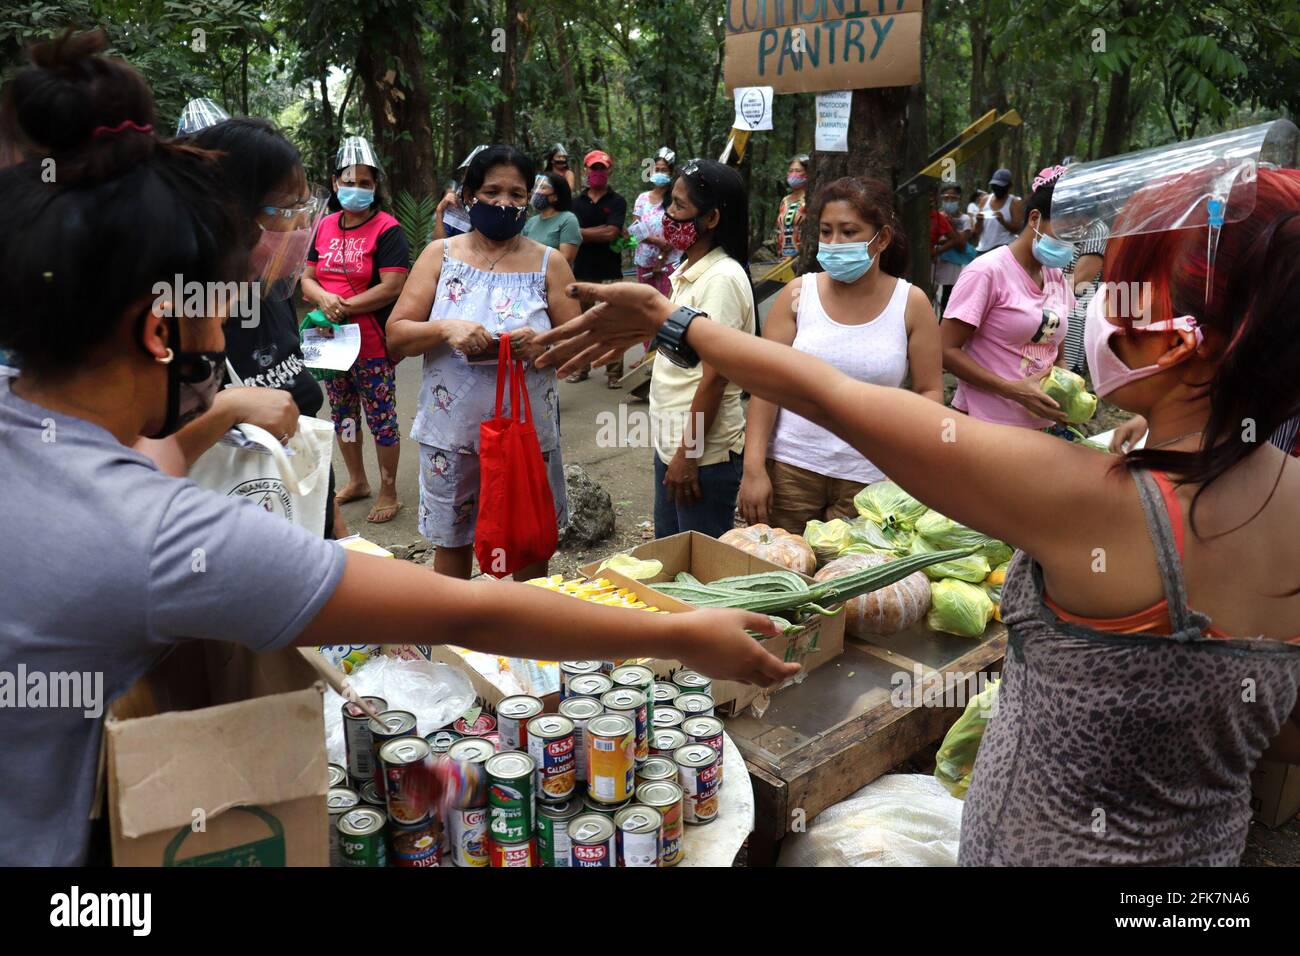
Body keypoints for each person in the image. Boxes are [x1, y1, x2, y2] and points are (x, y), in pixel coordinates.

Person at [0, 32, 798, 866]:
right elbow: (467, 608)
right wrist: (681, 635)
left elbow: (152, 465)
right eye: (217, 304)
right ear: (161, 329)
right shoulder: (160, 536)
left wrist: (218, 409)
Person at [534, 154, 1300, 866]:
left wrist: (671, 322)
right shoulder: (1278, 491)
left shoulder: (1097, 503)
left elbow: (831, 396)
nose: (1098, 309)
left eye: (1126, 296)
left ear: (1190, 346)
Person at [387, 145, 574, 581]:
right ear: (469, 194)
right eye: (492, 191)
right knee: (452, 545)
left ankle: (529, 644)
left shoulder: (551, 263)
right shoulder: (441, 255)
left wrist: (543, 343)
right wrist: (445, 329)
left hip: (526, 439)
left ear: (530, 199)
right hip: (452, 437)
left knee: (528, 543)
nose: (504, 203)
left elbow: (578, 346)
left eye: (516, 193)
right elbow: (396, 336)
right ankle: (456, 642)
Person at [167, 117, 348, 537]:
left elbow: (303, 443)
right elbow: (132, 464)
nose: (305, 227)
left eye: (308, 209)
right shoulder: (175, 318)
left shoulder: (270, 293)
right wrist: (230, 409)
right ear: (232, 215)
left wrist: (338, 532)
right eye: (291, 211)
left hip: (296, 529)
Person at [740, 177, 943, 533]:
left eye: (849, 232)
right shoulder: (797, 295)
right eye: (826, 231)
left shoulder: (911, 304)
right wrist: (754, 468)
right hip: (790, 469)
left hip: (872, 479)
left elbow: (930, 392)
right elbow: (766, 386)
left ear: (881, 238)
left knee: (853, 584)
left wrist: (908, 469)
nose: (834, 243)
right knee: (779, 572)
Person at [301, 136, 410, 523]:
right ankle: (358, 480)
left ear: (375, 187)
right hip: (330, 341)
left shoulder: (388, 229)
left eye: (366, 183)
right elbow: (308, 277)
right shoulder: (324, 225)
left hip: (372, 342)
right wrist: (323, 300)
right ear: (334, 183)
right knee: (342, 412)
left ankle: (389, 488)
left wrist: (343, 305)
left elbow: (392, 286)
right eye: (350, 181)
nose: (358, 189)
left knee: (381, 415)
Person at [649, 158, 755, 539]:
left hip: (702, 457)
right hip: (673, 446)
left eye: (679, 205)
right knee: (669, 559)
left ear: (710, 219)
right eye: (669, 203)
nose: (669, 214)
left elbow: (715, 379)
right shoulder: (687, 270)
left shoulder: (722, 279)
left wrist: (687, 456)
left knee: (697, 578)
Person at [940, 166, 1077, 433]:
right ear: (1035, 218)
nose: (1070, 244)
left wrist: (1067, 394)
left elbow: (1055, 352)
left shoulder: (1055, 276)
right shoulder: (986, 272)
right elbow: (944, 350)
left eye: (1076, 237)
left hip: (1042, 428)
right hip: (987, 426)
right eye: (1066, 232)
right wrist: (1013, 391)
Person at [568, 148, 628, 385]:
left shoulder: (617, 201)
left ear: (609, 171)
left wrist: (578, 233)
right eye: (594, 168)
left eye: (602, 169)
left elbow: (611, 232)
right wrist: (599, 232)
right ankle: (581, 368)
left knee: (613, 322)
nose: (598, 173)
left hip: (610, 272)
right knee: (583, 324)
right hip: (582, 270)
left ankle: (613, 373)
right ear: (586, 170)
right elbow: (600, 231)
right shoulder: (575, 203)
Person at [629, 146, 680, 296]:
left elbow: (676, 232)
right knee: (645, 306)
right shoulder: (642, 199)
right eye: (656, 169)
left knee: (667, 304)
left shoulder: (676, 200)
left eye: (663, 170)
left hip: (669, 263)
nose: (659, 173)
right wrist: (657, 242)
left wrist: (661, 259)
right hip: (644, 263)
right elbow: (635, 229)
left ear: (671, 172)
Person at [522, 171, 581, 264]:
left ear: (555, 196)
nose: (536, 191)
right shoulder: (531, 222)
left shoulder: (568, 219)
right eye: (536, 187)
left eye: (543, 187)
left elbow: (566, 259)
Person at [933, 182, 974, 314]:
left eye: (953, 198)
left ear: (959, 199)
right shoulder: (936, 216)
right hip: (935, 262)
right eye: (946, 198)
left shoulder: (965, 219)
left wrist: (949, 226)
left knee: (948, 296)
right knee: (930, 293)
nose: (949, 201)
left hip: (952, 265)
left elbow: (961, 245)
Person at [434, 144, 486, 241]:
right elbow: (439, 245)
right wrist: (440, 211)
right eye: (470, 171)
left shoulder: (495, 206)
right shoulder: (456, 201)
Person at [972, 167, 1023, 253]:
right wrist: (979, 221)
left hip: (1004, 249)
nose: (997, 189)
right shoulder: (985, 200)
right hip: (983, 249)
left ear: (1009, 187)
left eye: (1001, 186)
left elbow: (1017, 229)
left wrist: (1003, 222)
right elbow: (976, 231)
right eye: (995, 186)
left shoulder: (1014, 203)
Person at [774, 153, 809, 258]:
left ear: (808, 173)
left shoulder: (809, 199)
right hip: (783, 257)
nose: (793, 174)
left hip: (801, 258)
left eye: (798, 171)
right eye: (790, 171)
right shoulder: (785, 200)